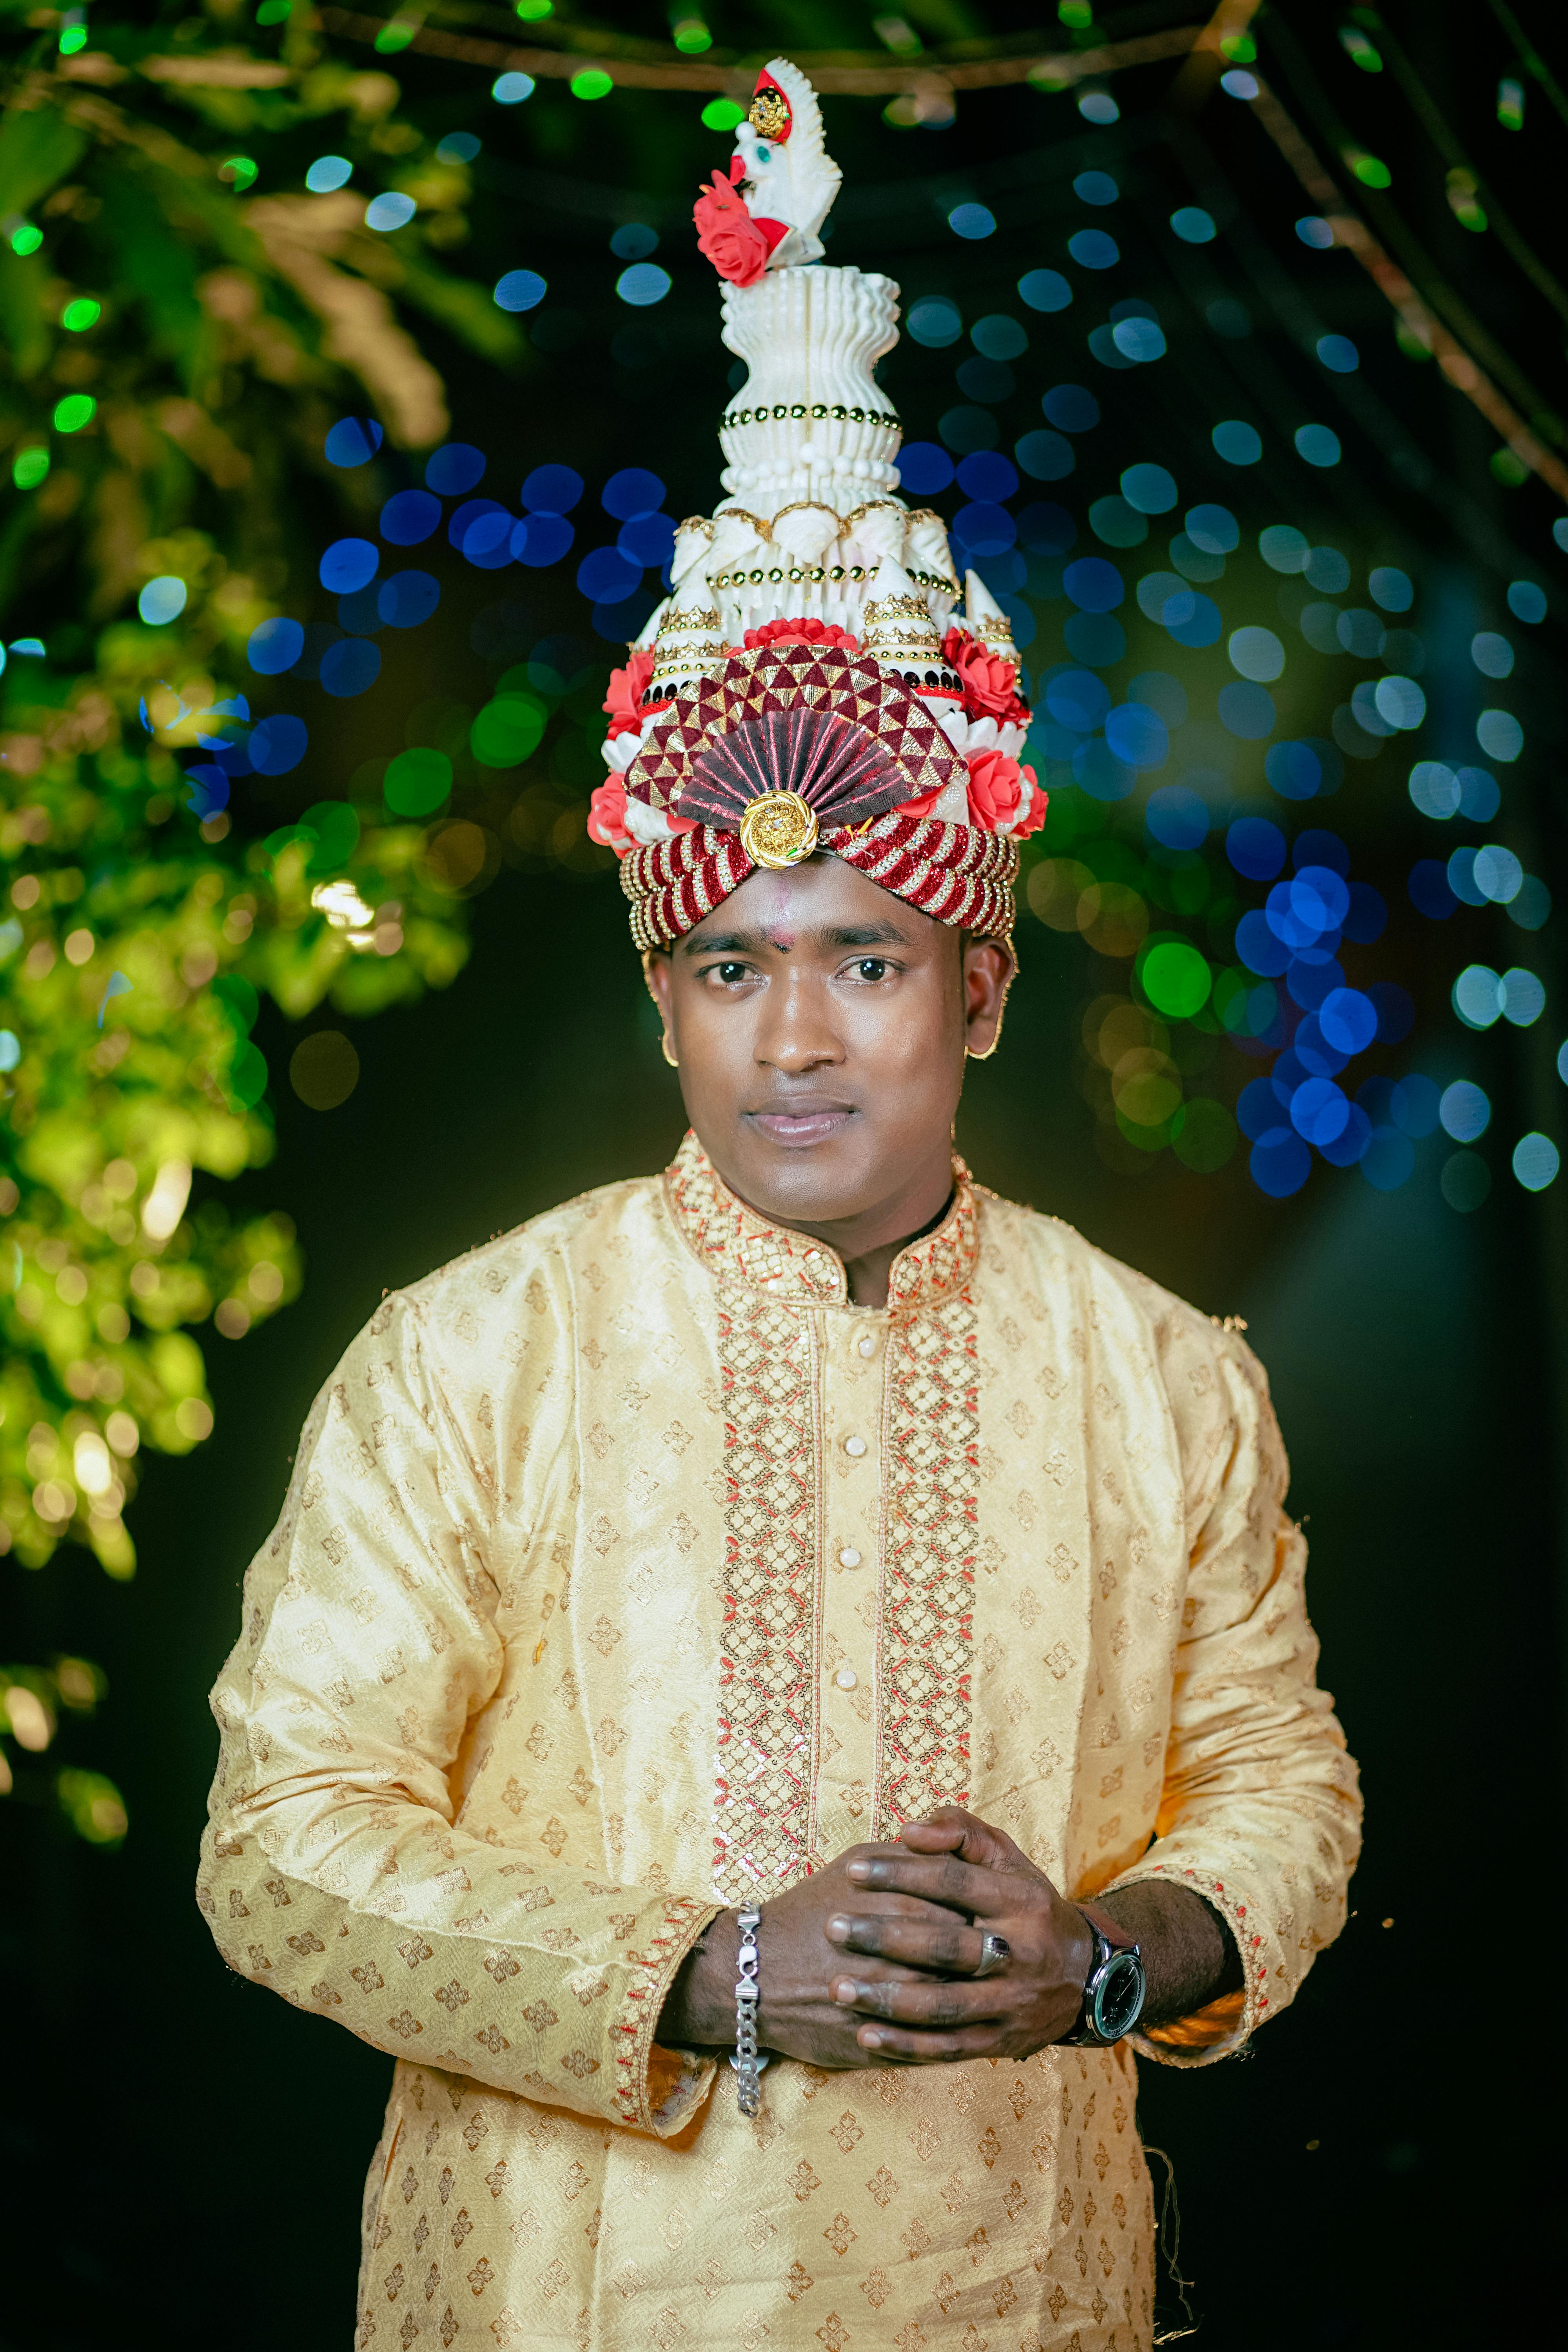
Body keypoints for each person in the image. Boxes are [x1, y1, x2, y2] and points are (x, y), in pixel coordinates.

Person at [198, 60, 1360, 2350]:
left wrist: (1114, 1955)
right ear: (665, 1006)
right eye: (730, 963)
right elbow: (284, 1852)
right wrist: (709, 1972)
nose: (794, 1038)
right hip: (570, 2302)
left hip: (1025, 2297)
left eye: (866, 959)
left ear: (984, 990)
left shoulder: (1161, 1376)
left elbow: (1279, 1780)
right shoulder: (472, 1358)